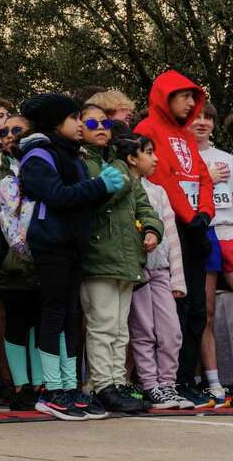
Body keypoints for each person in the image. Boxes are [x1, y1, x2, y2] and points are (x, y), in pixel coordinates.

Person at [19, 93, 120, 421]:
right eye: (74, 118)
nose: (80, 124)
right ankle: (51, 389)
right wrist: (99, 186)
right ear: (55, 121)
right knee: (53, 312)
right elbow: (58, 196)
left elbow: (80, 199)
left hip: (73, 243)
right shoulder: (38, 155)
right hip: (50, 242)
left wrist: (100, 189)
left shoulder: (72, 154)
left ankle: (69, 384)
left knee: (70, 315)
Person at [135, 72, 216, 407]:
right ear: (166, 96)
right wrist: (189, 217)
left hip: (197, 225)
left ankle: (185, 378)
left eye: (193, 97)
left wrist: (205, 213)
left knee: (197, 307)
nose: (190, 104)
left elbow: (203, 176)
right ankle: (167, 380)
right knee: (176, 306)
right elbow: (162, 178)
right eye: (184, 97)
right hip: (171, 226)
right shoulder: (147, 129)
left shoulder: (184, 134)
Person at [77, 109, 162, 414]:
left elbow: (144, 205)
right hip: (97, 256)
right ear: (79, 127)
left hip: (126, 259)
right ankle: (101, 386)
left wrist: (152, 229)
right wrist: (118, 179)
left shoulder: (119, 165)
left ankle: (117, 382)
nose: (100, 128)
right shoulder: (81, 163)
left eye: (105, 123)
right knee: (102, 325)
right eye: (92, 123)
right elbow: (91, 202)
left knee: (119, 328)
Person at [119, 133, 191, 409]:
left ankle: (168, 383)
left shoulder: (158, 192)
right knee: (143, 330)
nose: (156, 159)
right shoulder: (121, 189)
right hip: (136, 273)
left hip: (160, 271)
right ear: (131, 159)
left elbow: (171, 236)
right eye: (149, 152)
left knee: (172, 331)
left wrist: (178, 279)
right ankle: (150, 385)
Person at [0, 114, 43, 411]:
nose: (9, 135)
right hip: (10, 260)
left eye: (17, 130)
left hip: (42, 259)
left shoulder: (45, 165)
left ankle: (40, 384)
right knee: (15, 323)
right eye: (3, 131)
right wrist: (13, 193)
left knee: (39, 325)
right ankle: (17, 385)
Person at [188, 101, 233, 406]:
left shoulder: (226, 159)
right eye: (196, 117)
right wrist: (205, 177)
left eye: (208, 118)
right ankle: (212, 381)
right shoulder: (177, 158)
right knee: (204, 311)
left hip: (229, 234)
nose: (202, 122)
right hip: (202, 234)